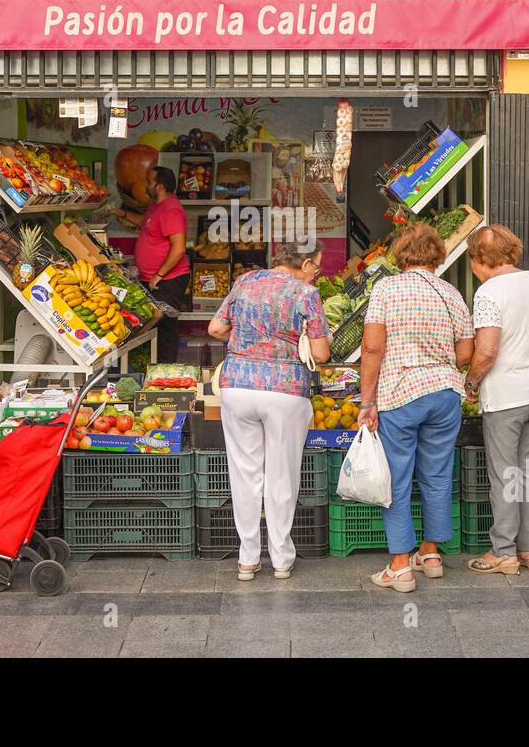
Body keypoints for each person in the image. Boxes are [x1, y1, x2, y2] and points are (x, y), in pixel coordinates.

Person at [358, 224, 474, 593]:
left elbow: (373, 349)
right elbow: (466, 353)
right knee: (438, 475)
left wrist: (367, 401)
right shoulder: (451, 293)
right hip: (444, 394)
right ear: (438, 255)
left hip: (400, 394)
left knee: (396, 480)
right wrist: (438, 363)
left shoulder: (386, 289)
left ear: (400, 253)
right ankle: (431, 554)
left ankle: (399, 567)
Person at [207, 241, 330, 581]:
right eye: (316, 267)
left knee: (245, 473)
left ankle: (247, 559)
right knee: (282, 475)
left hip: (238, 386)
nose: (316, 274)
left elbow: (216, 329)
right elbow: (320, 354)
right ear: (304, 264)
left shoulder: (244, 282)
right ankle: (281, 558)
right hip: (284, 389)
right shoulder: (305, 293)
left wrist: (249, 342)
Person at [462, 224, 529, 577]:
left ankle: (504, 552)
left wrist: (471, 382)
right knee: (528, 472)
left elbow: (487, 351)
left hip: (508, 396)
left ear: (479, 259)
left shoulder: (490, 293)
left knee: (505, 475)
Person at [115, 165, 189, 363]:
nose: (145, 186)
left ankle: (166, 369)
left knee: (165, 327)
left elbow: (179, 248)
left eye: (149, 182)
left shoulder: (171, 210)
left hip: (168, 281)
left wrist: (159, 275)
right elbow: (145, 223)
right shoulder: (157, 207)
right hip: (154, 280)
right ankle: (156, 367)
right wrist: (121, 213)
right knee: (156, 325)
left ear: (159, 186)